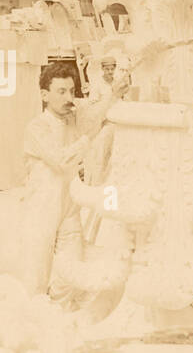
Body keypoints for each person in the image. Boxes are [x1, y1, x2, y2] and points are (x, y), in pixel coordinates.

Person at [20, 60, 128, 300]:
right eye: (61, 91)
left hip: (69, 208)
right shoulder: (36, 127)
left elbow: (96, 115)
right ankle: (35, 317)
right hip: (41, 209)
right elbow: (61, 160)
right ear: (44, 95)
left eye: (71, 91)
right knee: (36, 276)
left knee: (71, 272)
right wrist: (88, 138)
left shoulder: (72, 119)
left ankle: (56, 310)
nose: (68, 97)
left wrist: (115, 93)